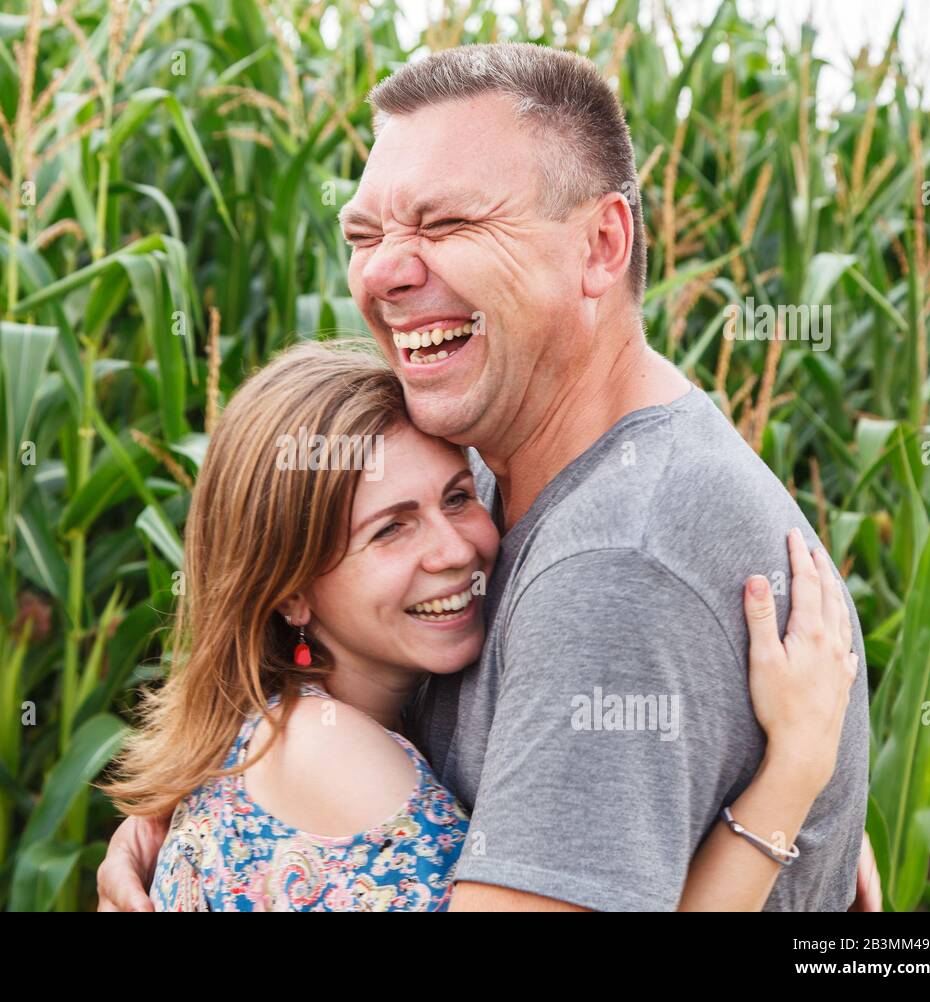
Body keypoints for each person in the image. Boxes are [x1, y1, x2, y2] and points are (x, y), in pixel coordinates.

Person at [101, 43, 875, 911]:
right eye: (363, 234)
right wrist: (207, 827)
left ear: (601, 244)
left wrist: (799, 805)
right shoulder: (506, 475)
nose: (382, 270)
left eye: (446, 225)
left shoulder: (615, 565)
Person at [101, 341, 859, 911]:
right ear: (292, 593)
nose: (455, 548)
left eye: (459, 496)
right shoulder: (335, 759)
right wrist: (793, 777)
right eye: (391, 530)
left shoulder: (283, 730)